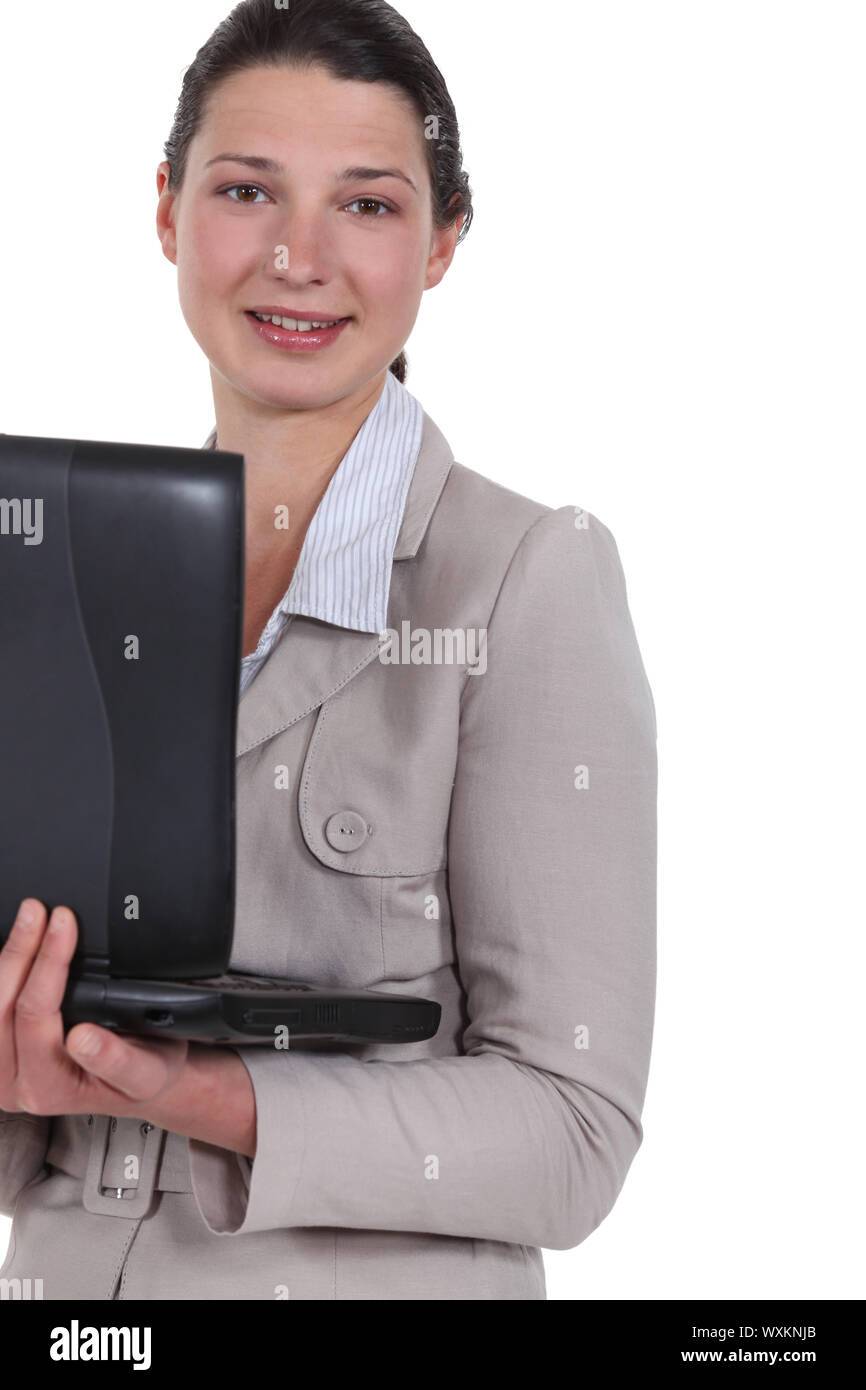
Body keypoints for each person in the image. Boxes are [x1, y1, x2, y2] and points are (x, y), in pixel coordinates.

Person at [0, 0, 657, 1301]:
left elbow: (574, 1131)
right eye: (247, 189)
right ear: (166, 211)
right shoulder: (42, 570)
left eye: (364, 204)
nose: (297, 257)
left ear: (444, 242)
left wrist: (218, 1094)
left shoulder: (526, 581)